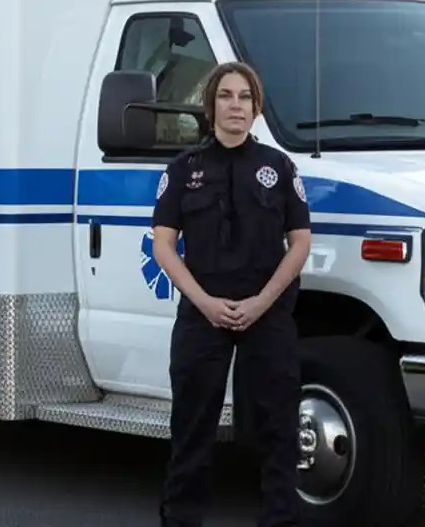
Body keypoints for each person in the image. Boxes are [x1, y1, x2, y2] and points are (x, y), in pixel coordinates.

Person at [152, 61, 312, 527]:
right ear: (211, 106)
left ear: (256, 108)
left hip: (268, 314)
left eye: (245, 97)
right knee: (191, 430)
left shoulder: (279, 168)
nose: (235, 105)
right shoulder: (184, 170)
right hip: (204, 312)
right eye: (226, 96)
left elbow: (300, 242)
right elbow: (163, 245)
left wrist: (262, 303)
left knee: (278, 431)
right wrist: (203, 301)